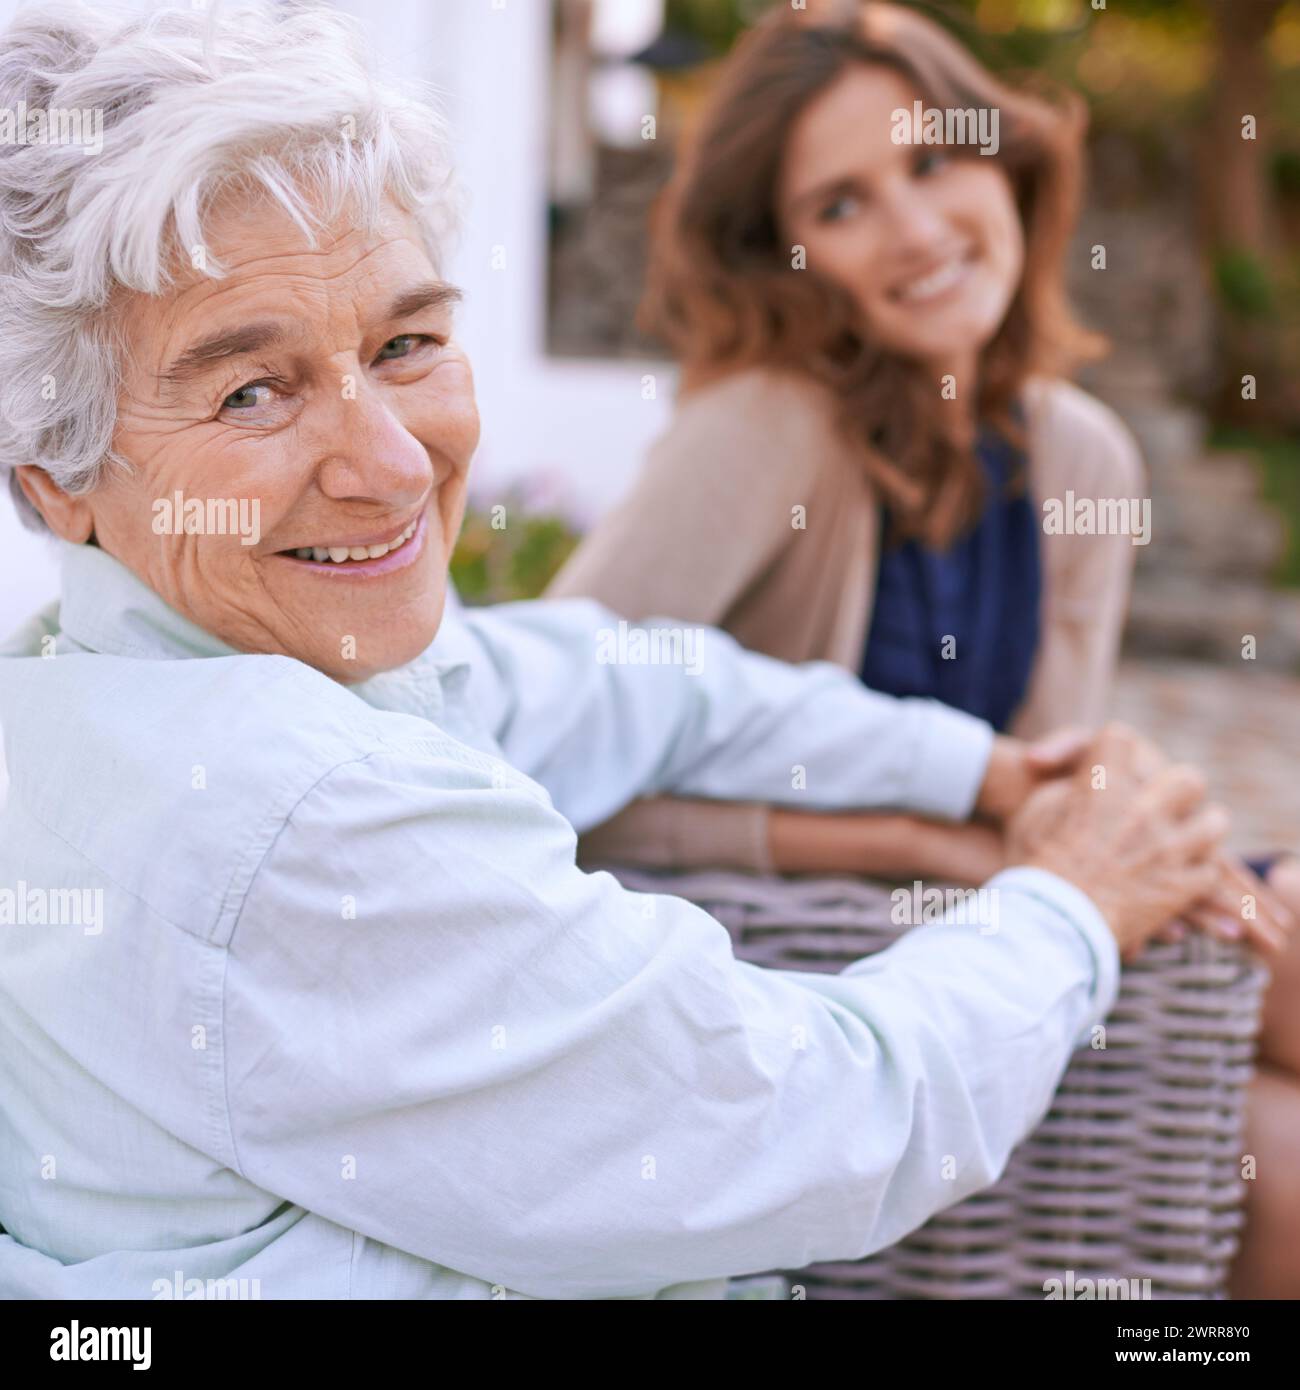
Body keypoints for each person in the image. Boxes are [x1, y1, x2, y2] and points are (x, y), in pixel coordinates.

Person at [0, 0, 1252, 1301]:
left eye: (406, 344)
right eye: (250, 391)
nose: (388, 464)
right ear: (58, 483)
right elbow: (818, 1122)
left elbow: (630, 676)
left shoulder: (105, 679)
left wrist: (980, 773)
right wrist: (1070, 900)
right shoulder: (305, 816)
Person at [545, 0, 1300, 1295]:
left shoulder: (1081, 455)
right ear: (784, 254)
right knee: (1278, 1165)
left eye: (933, 160)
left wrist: (1125, 821)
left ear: (1002, 156)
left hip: (1007, 899)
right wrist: (914, 839)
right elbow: (545, 759)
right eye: (840, 205)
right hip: (849, 947)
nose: (914, 228)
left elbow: (1042, 768)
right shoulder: (763, 430)